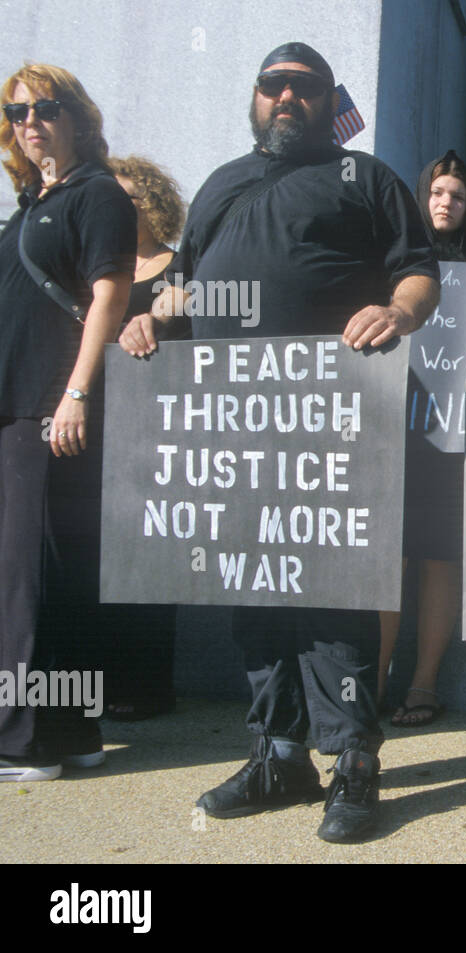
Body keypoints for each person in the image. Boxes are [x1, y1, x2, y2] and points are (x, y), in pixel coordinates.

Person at [118, 42, 439, 842]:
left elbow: (418, 271)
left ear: (332, 102)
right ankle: (279, 755)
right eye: (275, 85)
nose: (288, 96)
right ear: (255, 97)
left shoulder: (366, 178)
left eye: (306, 87)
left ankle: (355, 763)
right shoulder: (221, 186)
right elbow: (185, 289)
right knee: (254, 595)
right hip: (233, 426)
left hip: (329, 423)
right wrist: (151, 316)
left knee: (335, 596)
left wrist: (398, 313)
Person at [0, 64, 134, 781]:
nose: (30, 121)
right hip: (19, 408)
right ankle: (73, 733)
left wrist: (76, 394)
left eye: (46, 108)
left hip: (49, 408)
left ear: (77, 117)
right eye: (17, 111)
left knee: (25, 581)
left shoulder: (97, 194)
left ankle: (20, 742)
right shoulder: (30, 204)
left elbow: (109, 296)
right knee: (51, 574)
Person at [45, 155, 186, 724]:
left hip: (150, 434)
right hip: (83, 425)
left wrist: (161, 314)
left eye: (130, 200)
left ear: (153, 202)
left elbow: (190, 304)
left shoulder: (178, 268)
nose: (119, 210)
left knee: (146, 560)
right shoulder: (89, 268)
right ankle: (82, 689)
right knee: (83, 559)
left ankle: (145, 686)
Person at [377, 149, 466, 728]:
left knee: (441, 558)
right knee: (390, 558)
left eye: (458, 196)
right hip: (392, 432)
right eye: (438, 193)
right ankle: (376, 680)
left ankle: (424, 684)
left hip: (454, 439)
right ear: (423, 198)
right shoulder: (391, 261)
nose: (446, 203)